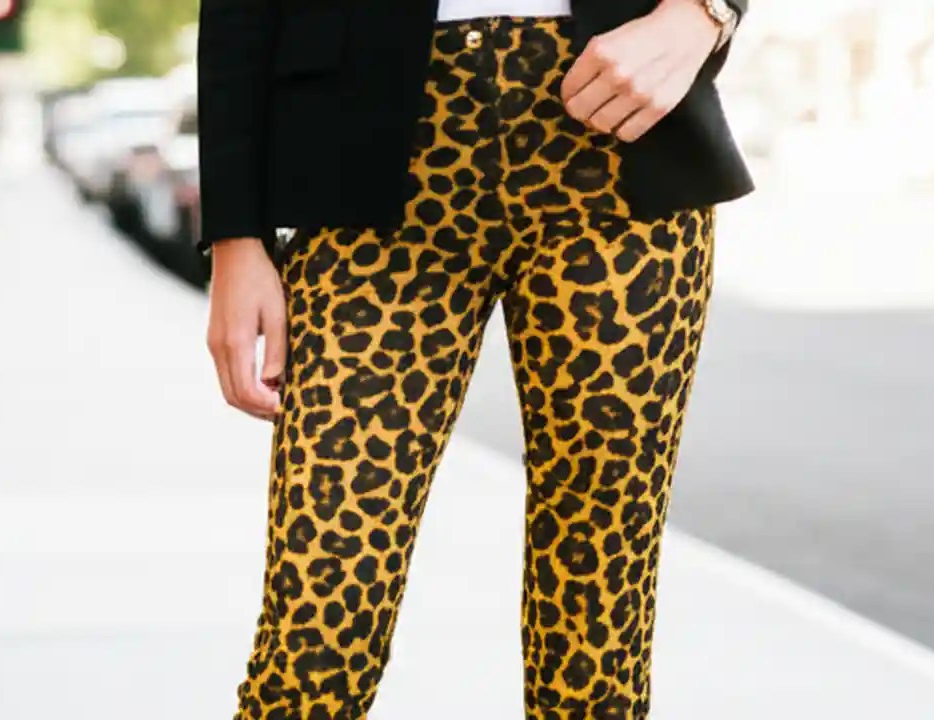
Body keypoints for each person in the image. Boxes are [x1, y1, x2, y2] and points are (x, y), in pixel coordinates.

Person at [197, 0, 752, 716]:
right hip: (369, 162)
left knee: (597, 642)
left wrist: (702, 12)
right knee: (314, 634)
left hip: (615, 148)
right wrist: (236, 232)